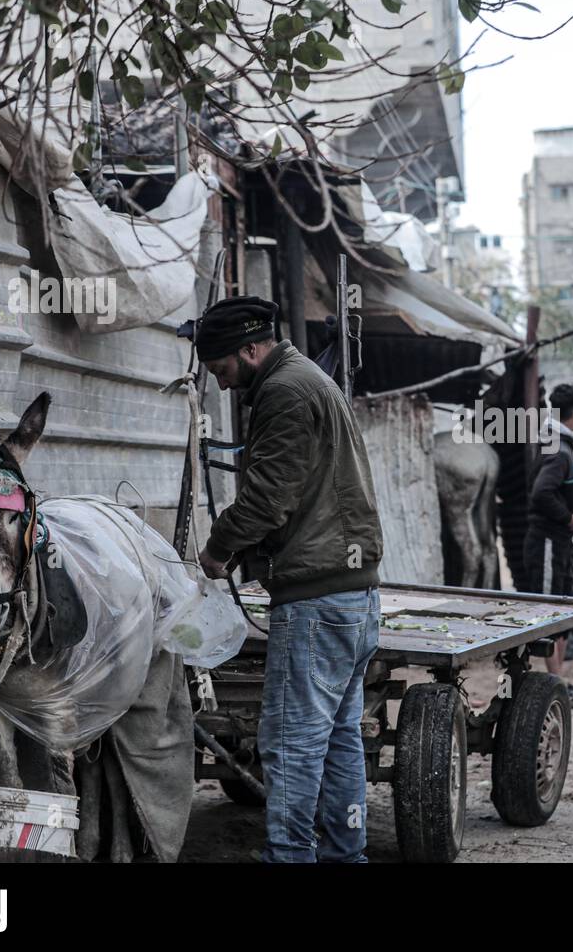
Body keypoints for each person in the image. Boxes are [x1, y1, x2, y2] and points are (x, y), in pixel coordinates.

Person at [195, 295, 384, 863]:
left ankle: (291, 858)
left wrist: (217, 550)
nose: (225, 387)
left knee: (292, 743)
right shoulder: (310, 380)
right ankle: (345, 856)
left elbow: (266, 500)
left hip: (317, 596)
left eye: (224, 371)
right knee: (338, 739)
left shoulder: (283, 392)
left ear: (251, 350)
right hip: (354, 593)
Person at [523, 383, 573, 709]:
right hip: (550, 542)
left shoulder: (553, 441)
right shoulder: (559, 450)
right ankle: (554, 687)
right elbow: (541, 493)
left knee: (561, 613)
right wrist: (570, 520)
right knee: (551, 613)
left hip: (557, 544)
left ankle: (559, 684)